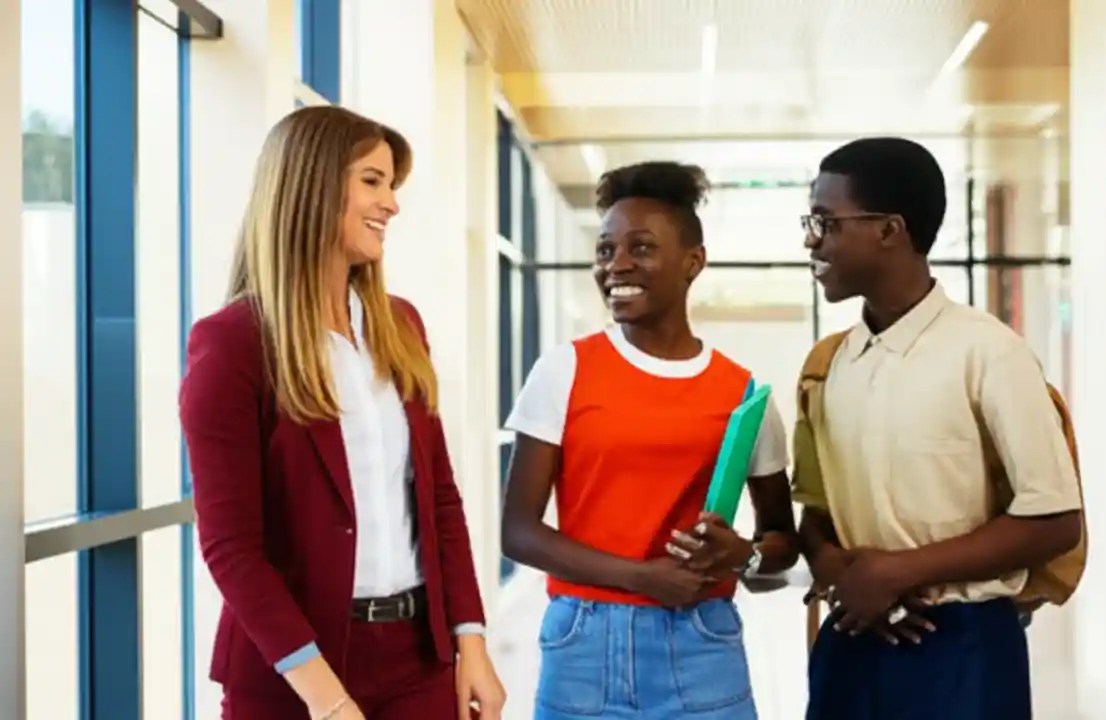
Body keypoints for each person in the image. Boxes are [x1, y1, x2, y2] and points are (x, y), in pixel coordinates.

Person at [179, 106, 505, 720]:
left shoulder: (400, 325)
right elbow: (231, 548)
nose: (392, 204)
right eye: (372, 181)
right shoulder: (234, 343)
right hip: (293, 673)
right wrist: (326, 701)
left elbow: (439, 500)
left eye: (392, 185)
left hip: (418, 663)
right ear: (313, 184)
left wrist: (471, 640)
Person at [793, 137, 1084, 720]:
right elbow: (816, 519)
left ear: (889, 229)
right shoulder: (827, 366)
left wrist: (897, 573)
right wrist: (848, 579)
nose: (811, 239)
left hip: (964, 646)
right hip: (854, 631)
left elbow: (1054, 519)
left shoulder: (989, 353)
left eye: (825, 221)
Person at [500, 161, 800, 719]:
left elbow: (780, 547)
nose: (617, 265)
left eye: (640, 248)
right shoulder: (564, 370)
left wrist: (744, 554)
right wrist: (642, 578)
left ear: (693, 262)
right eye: (606, 250)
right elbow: (517, 532)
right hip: (583, 647)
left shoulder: (743, 395)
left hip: (702, 646)